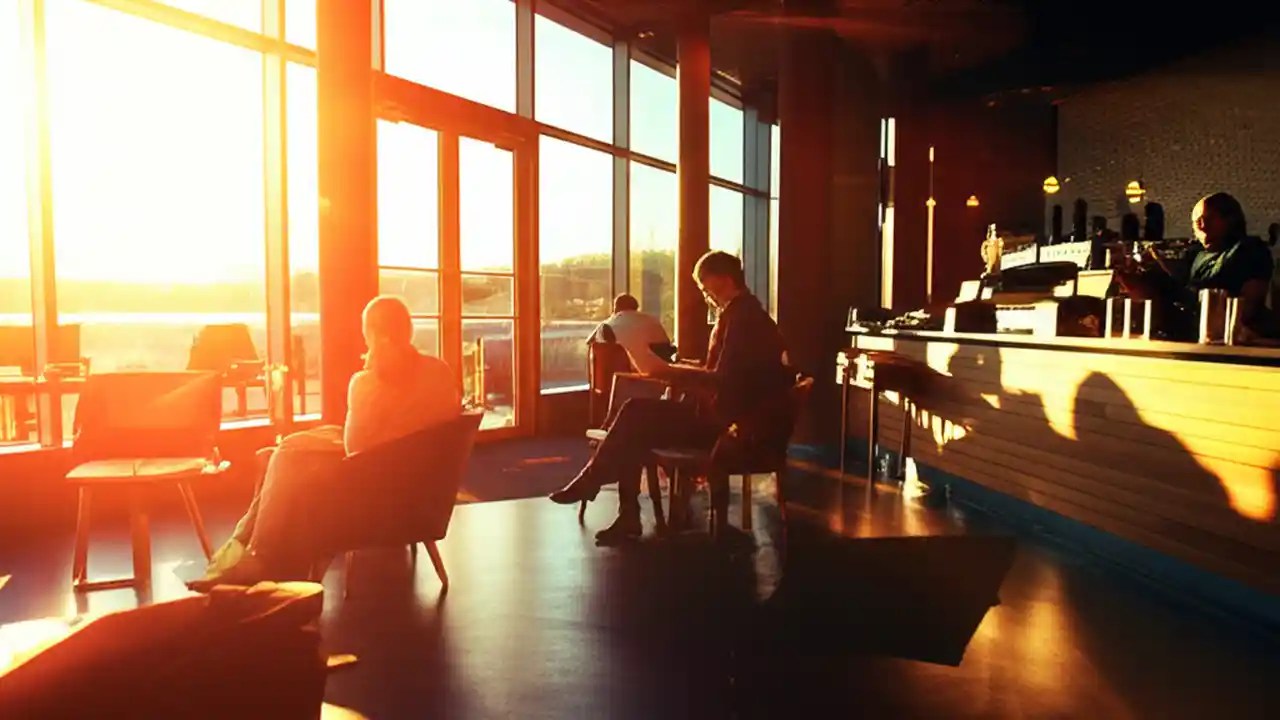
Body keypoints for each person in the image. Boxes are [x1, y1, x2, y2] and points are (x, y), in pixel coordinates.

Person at [193, 295, 461, 586]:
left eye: (367, 335)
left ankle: (254, 556)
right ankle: (244, 549)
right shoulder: (440, 372)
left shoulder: (367, 383)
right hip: (417, 484)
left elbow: (355, 448)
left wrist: (367, 377)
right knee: (280, 454)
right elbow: (421, 422)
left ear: (375, 334)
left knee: (283, 456)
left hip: (375, 487)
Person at [551, 251, 795, 545]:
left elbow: (724, 381)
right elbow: (729, 373)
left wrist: (668, 373)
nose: (706, 296)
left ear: (724, 281)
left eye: (707, 289)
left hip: (724, 425)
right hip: (729, 417)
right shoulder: (747, 315)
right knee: (636, 418)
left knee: (635, 416)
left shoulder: (741, 320)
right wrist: (683, 368)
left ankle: (605, 494)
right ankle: (606, 495)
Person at [1119, 192, 1274, 338]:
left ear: (1231, 219)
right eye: (1196, 221)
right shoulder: (1195, 254)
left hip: (1235, 339)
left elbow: (1246, 311)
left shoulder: (1250, 249)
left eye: (1210, 218)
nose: (1202, 226)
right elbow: (1180, 289)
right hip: (1186, 335)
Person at [587, 293, 675, 372]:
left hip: (625, 376)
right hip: (660, 374)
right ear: (636, 307)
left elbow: (590, 342)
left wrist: (611, 317)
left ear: (615, 308)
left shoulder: (608, 324)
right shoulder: (652, 320)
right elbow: (666, 349)